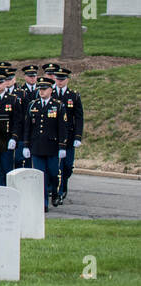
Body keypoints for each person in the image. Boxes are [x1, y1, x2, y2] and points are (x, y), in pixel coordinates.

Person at [18, 76, 68, 213]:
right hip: (37, 146)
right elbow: (28, 127)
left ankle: (55, 194)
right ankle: (43, 203)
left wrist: (62, 146)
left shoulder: (58, 106)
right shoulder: (33, 105)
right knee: (40, 176)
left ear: (51, 90)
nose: (42, 91)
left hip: (51, 146)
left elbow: (62, 128)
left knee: (53, 173)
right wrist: (26, 145)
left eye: (44, 89)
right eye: (40, 89)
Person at [50, 67, 83, 205]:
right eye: (58, 79)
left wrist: (78, 136)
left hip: (68, 137)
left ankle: (64, 185)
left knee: (67, 166)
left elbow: (79, 118)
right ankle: (58, 191)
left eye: (62, 80)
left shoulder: (73, 96)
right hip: (54, 136)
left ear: (67, 80)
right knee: (56, 166)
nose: (60, 82)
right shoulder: (50, 94)